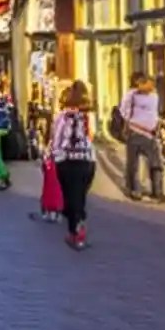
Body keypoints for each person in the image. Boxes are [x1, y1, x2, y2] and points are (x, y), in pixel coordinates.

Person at [51, 81, 96, 250]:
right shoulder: (88, 116)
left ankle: (75, 230)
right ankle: (79, 225)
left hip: (66, 160)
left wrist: (53, 155)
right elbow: (92, 136)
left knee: (70, 196)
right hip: (86, 160)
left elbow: (56, 138)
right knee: (80, 195)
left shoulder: (62, 116)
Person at [121, 73, 165, 204]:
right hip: (145, 132)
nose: (152, 86)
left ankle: (136, 190)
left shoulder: (133, 95)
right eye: (150, 84)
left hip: (139, 131)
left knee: (136, 164)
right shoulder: (150, 96)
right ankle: (155, 191)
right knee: (152, 163)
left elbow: (124, 111)